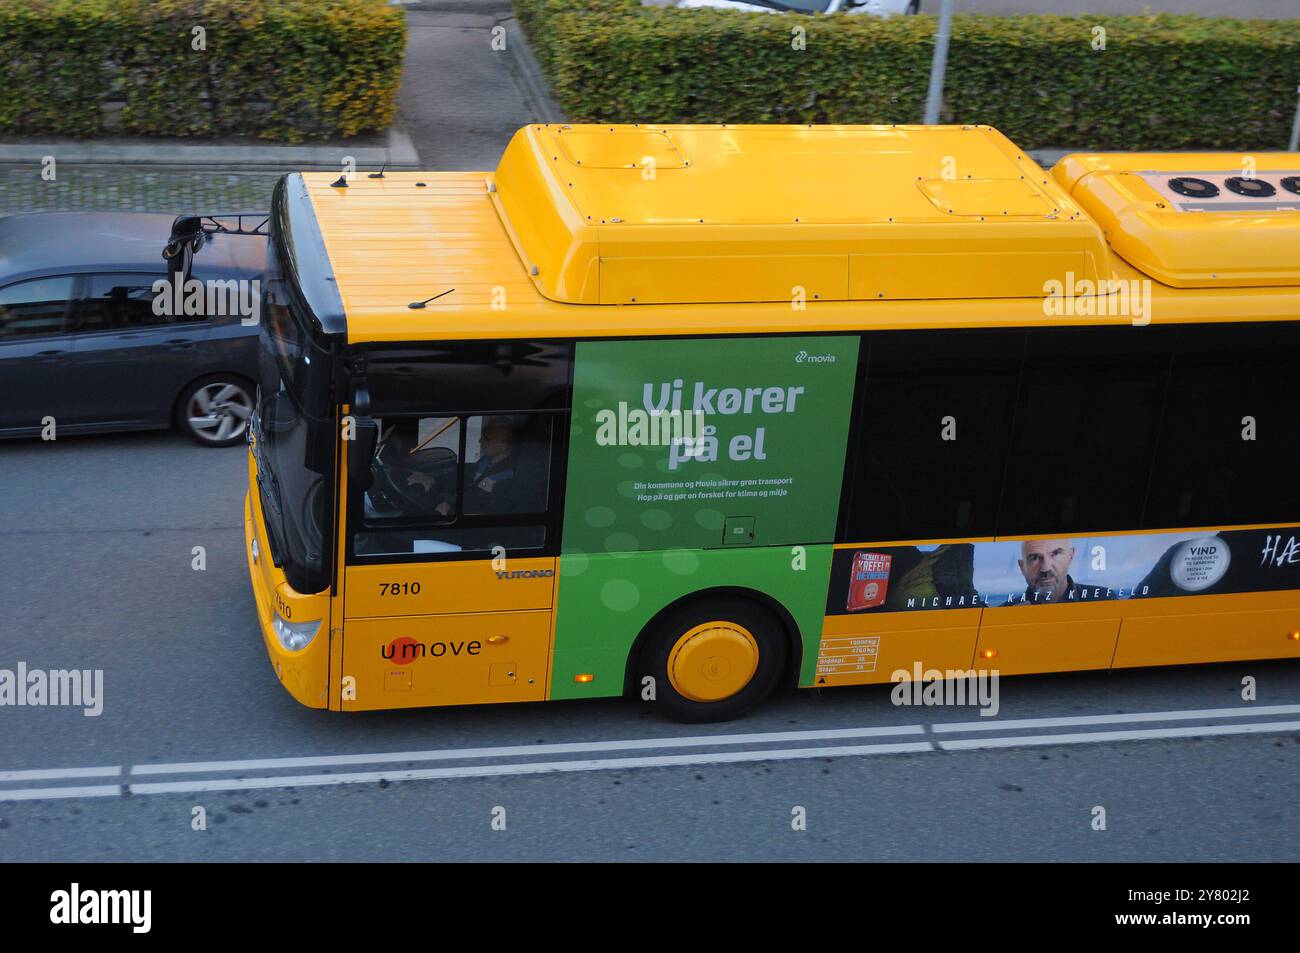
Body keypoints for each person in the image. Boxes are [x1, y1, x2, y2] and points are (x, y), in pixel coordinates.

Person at [1016, 538, 1085, 605]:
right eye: (1034, 558)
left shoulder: (1094, 599)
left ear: (1070, 556)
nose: (1046, 568)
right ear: (1022, 567)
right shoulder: (1007, 609)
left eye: (1055, 553)